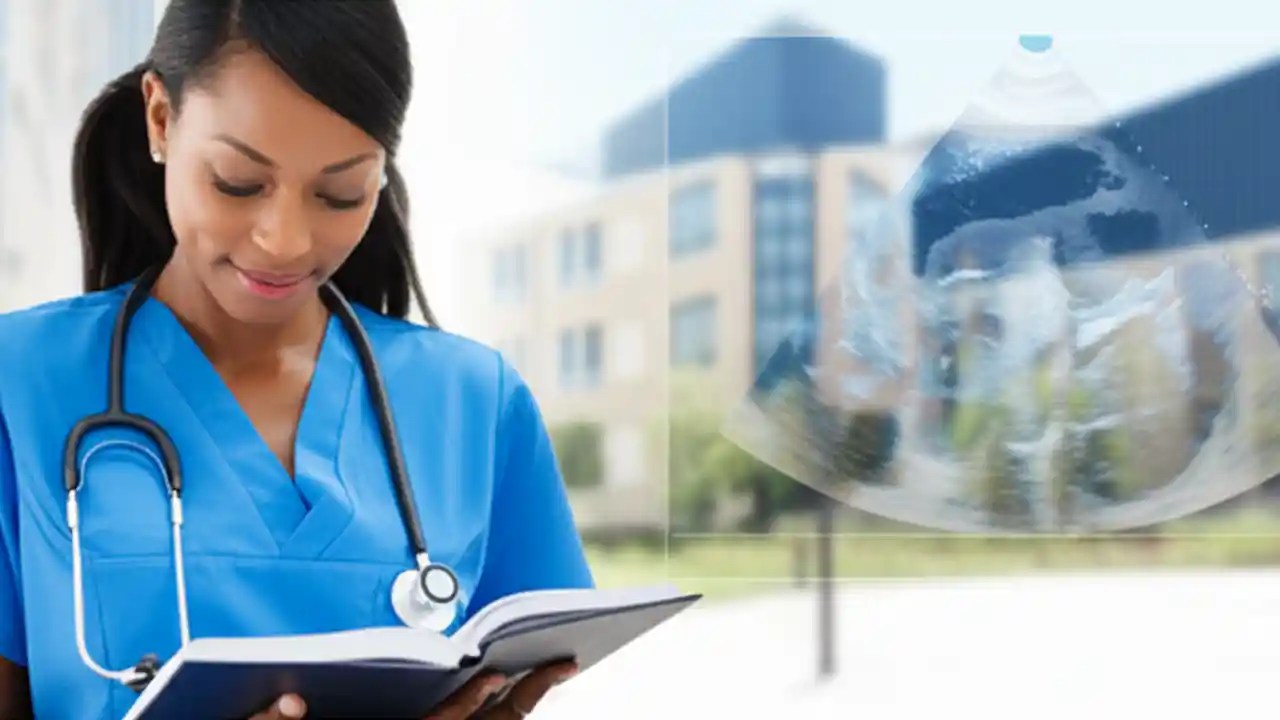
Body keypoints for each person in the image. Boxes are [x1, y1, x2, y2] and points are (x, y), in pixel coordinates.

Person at [0, 1, 594, 718]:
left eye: (340, 193)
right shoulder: (22, 381)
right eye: (237, 183)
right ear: (160, 119)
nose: (285, 241)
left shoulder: (476, 402)